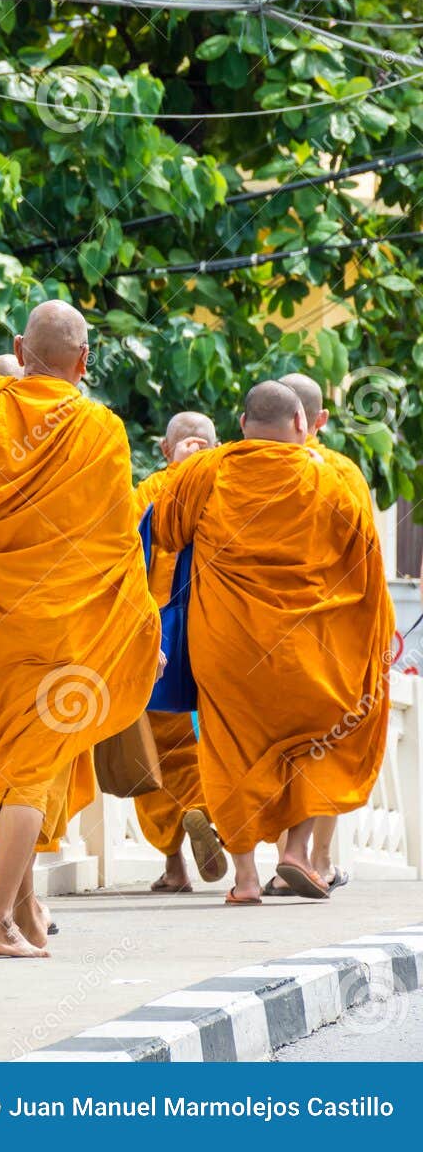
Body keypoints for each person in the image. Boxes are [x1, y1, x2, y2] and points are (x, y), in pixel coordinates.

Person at [0, 299, 161, 957]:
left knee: (15, 766)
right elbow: (118, 545)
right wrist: (139, 628)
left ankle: (25, 910)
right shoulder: (100, 428)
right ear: (86, 360)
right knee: (28, 769)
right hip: (63, 629)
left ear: (18, 345)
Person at [150, 380, 393, 903]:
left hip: (230, 649)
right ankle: (296, 852)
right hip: (309, 651)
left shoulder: (206, 471)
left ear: (240, 426)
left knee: (229, 751)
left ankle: (245, 879)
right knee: (313, 745)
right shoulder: (335, 479)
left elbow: (166, 531)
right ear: (304, 425)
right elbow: (366, 569)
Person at [262, 372, 376, 894]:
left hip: (250, 635)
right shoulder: (339, 472)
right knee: (325, 744)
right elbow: (367, 561)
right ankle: (313, 856)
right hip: (328, 630)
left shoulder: (233, 469)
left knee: (265, 741)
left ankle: (264, 859)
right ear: (315, 421)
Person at [133, 413, 227, 893]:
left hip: (157, 642)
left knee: (157, 754)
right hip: (218, 640)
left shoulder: (144, 495)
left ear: (164, 449)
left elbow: (121, 565)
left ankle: (173, 865)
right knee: (219, 743)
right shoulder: (229, 491)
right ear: (216, 448)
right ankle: (210, 814)